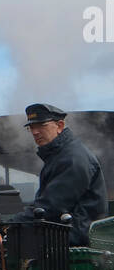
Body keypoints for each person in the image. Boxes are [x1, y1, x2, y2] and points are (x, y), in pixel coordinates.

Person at [10, 104, 107, 246]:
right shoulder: (60, 156)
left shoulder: (72, 159)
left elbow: (51, 206)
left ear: (60, 126)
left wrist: (12, 224)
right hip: (68, 236)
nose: (35, 132)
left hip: (77, 241)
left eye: (41, 125)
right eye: (31, 127)